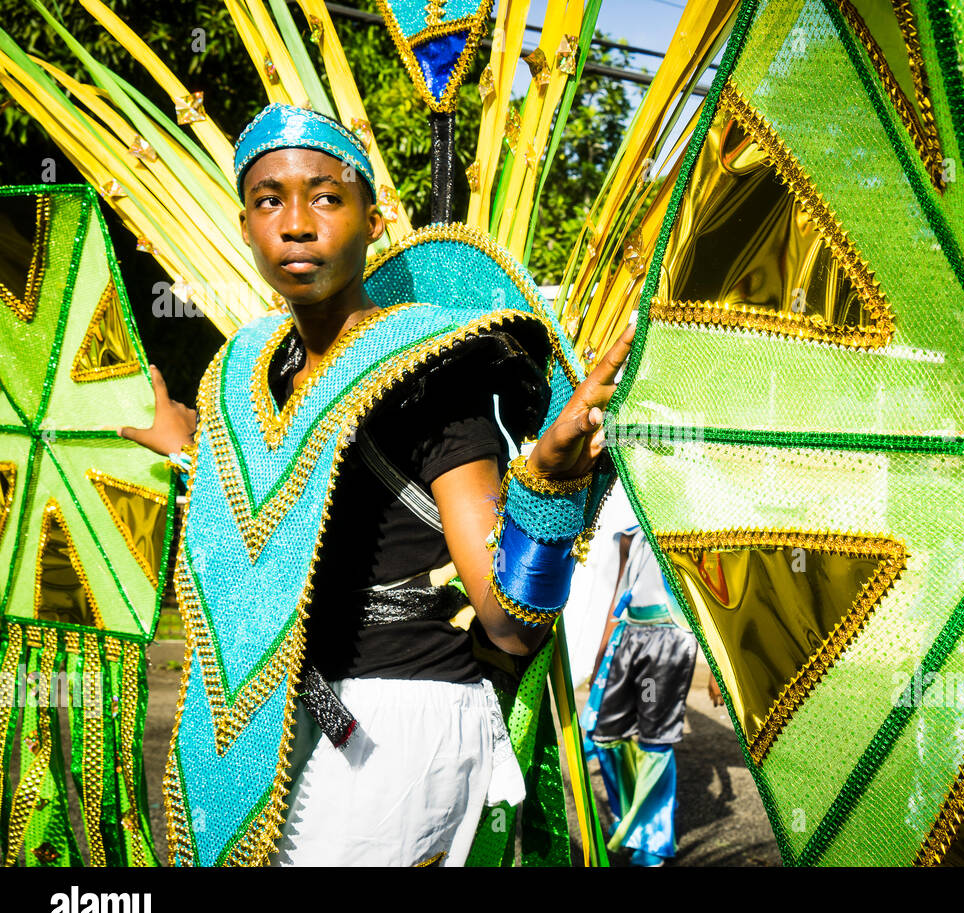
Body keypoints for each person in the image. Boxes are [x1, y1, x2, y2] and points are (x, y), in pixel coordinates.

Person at [118, 104, 633, 866]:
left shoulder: (435, 371)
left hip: (402, 716)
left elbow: (509, 623)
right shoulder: (250, 368)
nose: (296, 223)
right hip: (306, 706)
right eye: (270, 200)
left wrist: (548, 490)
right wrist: (191, 449)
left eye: (325, 196)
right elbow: (279, 519)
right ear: (245, 225)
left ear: (376, 218)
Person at [581, 524, 698, 866]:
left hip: (670, 640)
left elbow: (710, 600)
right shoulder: (629, 535)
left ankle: (652, 838)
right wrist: (602, 651)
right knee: (604, 734)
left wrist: (720, 673)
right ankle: (628, 816)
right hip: (628, 636)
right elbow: (620, 593)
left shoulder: (689, 530)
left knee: (655, 739)